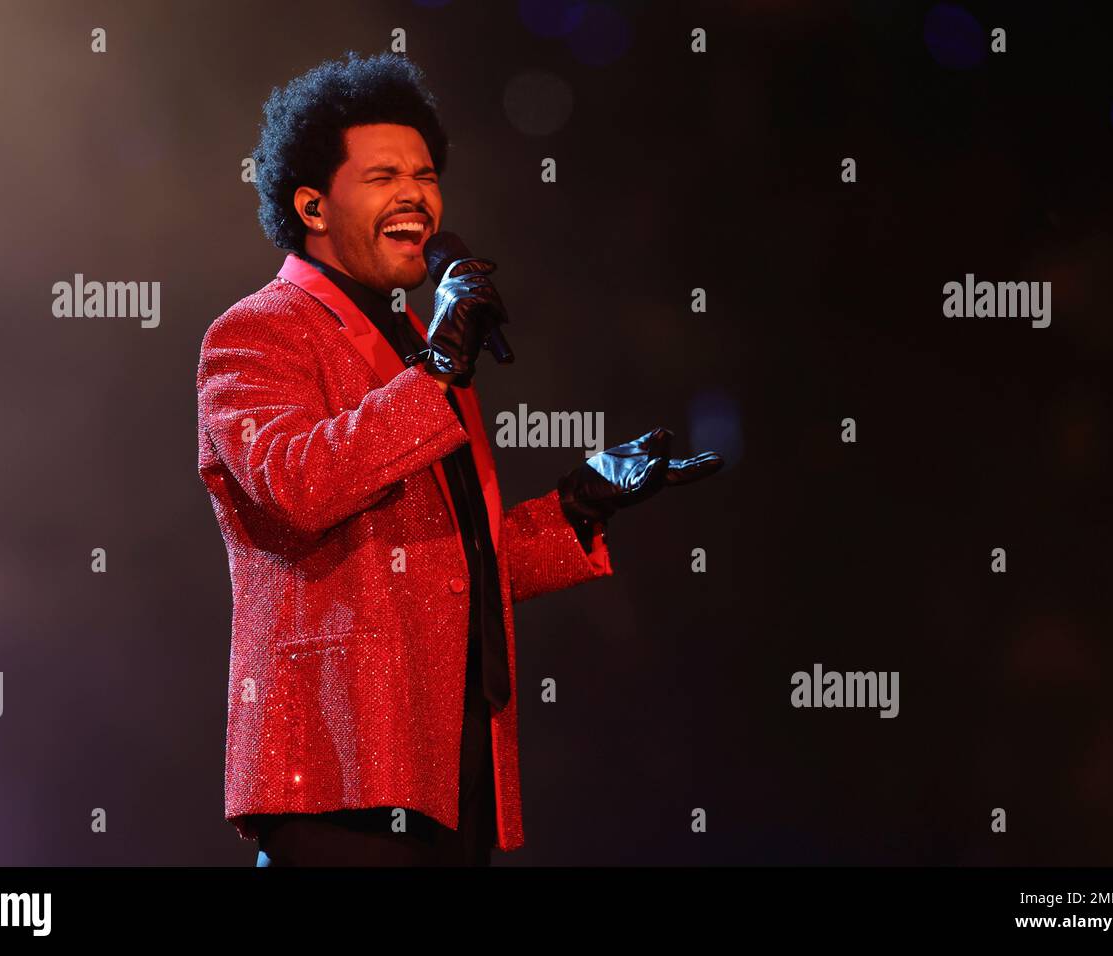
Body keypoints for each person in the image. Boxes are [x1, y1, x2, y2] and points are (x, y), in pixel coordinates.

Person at [195, 50, 722, 866]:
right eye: (381, 177)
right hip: (341, 769)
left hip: (454, 763)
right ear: (313, 205)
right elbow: (296, 486)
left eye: (427, 174)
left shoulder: (422, 351)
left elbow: (442, 573)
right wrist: (437, 369)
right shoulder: (258, 331)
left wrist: (576, 507)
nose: (416, 193)